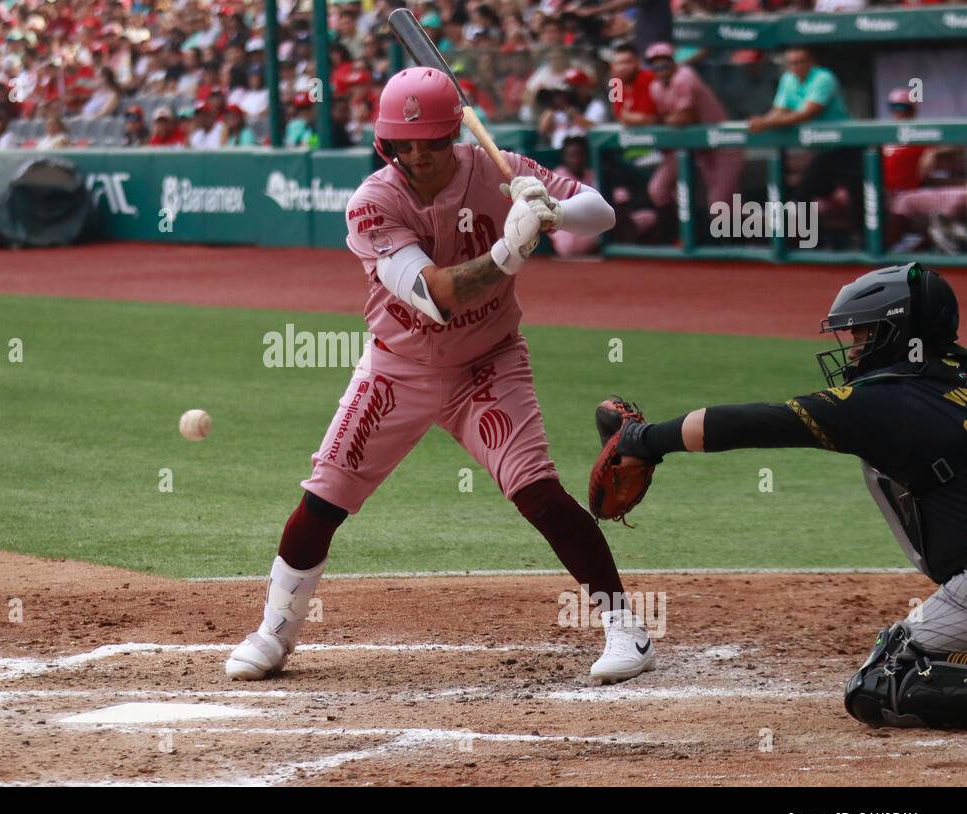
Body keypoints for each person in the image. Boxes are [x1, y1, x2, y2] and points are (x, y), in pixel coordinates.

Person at [223, 67, 653, 686]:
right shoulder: (373, 203)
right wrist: (509, 251)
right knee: (323, 501)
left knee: (536, 490)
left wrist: (552, 212)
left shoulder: (496, 165)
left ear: (454, 133)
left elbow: (602, 212)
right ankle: (273, 633)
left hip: (489, 362)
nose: (418, 155)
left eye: (430, 141)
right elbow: (436, 296)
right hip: (397, 368)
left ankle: (626, 631)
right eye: (404, 143)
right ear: (385, 144)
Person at [603, 264, 967, 728]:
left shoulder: (882, 401)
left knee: (886, 682)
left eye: (862, 335)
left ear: (895, 334)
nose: (852, 350)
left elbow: (748, 422)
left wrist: (643, 440)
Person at [749, 47, 862, 214]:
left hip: (847, 149)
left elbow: (807, 113)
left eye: (800, 62)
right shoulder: (788, 79)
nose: (796, 67)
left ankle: (867, 238)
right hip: (825, 152)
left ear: (811, 62)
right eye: (792, 63)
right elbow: (780, 109)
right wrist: (765, 121)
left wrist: (765, 123)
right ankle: (809, 239)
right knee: (802, 197)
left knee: (860, 204)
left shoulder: (824, 77)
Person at [645, 42, 743, 214]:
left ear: (673, 62)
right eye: (656, 64)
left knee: (720, 204)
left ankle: (760, 234)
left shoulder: (685, 76)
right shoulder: (655, 87)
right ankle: (686, 234)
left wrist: (658, 121)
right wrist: (661, 120)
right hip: (701, 148)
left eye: (665, 62)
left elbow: (684, 117)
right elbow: (667, 119)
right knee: (660, 191)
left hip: (724, 143)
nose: (661, 67)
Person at [882, 89, 967, 253]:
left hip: (908, 193)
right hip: (883, 191)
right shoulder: (884, 134)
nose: (898, 112)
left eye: (903, 107)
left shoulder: (920, 133)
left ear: (912, 110)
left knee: (905, 202)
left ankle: (888, 254)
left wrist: (934, 151)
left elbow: (956, 144)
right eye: (894, 107)